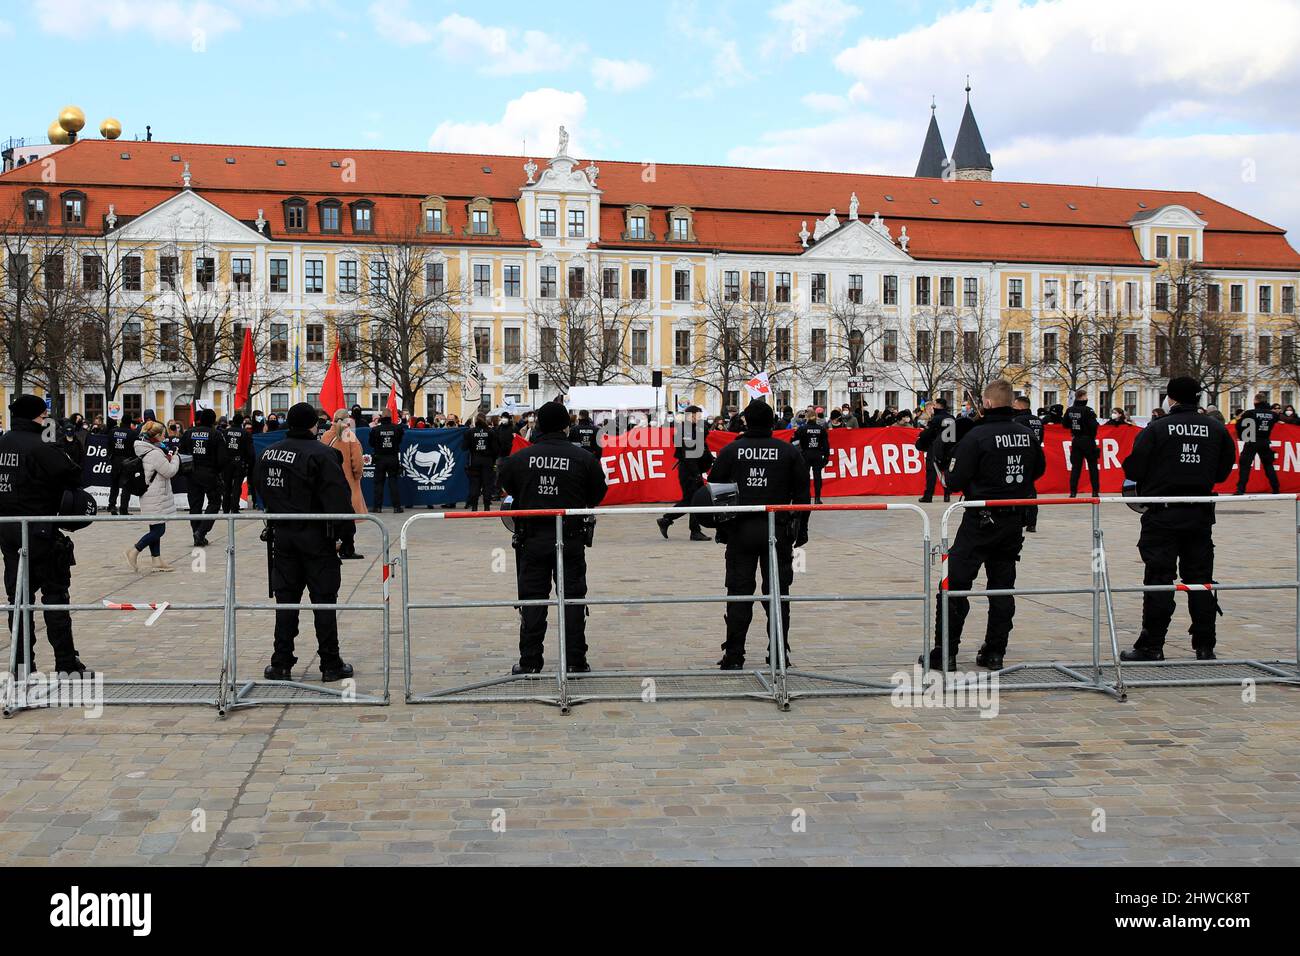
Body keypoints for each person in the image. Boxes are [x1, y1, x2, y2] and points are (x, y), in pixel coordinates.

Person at [929, 380, 1045, 671]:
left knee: (954, 585)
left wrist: (943, 461)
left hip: (979, 519)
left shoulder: (977, 435)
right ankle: (995, 652)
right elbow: (1038, 470)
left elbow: (953, 481)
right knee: (1002, 587)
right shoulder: (1027, 434)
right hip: (1012, 521)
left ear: (988, 403)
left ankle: (946, 653)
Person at [1120, 377, 1237, 662]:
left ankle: (1152, 644)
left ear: (1170, 398)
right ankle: (1205, 645)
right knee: (1200, 580)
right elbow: (1223, 471)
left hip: (1163, 513)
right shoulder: (1216, 428)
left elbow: (1134, 467)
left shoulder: (1157, 428)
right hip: (1199, 513)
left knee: (1160, 579)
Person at [497, 401, 607, 674]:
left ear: (539, 426)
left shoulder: (520, 459)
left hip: (532, 539)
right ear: (566, 427)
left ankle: (530, 661)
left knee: (533, 601)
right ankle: (575, 661)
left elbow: (509, 487)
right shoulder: (584, 459)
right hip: (570, 538)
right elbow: (596, 495)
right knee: (572, 600)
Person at [253, 402, 355, 682]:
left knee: (286, 602)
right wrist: (347, 539)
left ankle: (281, 663)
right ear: (314, 425)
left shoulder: (268, 453)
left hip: (282, 536)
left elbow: (258, 488)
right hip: (317, 537)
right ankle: (331, 664)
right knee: (323, 601)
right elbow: (338, 500)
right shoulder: (323, 454)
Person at [708, 400, 810, 670]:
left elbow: (715, 490)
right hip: (777, 530)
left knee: (739, 593)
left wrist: (721, 527)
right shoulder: (787, 451)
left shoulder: (732, 451)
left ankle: (734, 655)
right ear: (771, 423)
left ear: (746, 422)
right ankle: (778, 652)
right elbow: (803, 495)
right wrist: (802, 529)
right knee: (778, 593)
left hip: (740, 531)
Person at [0, 395, 91, 676]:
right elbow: (72, 475)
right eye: (44, 416)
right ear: (36, 417)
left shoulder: (2, 442)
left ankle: (21, 665)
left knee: (19, 600)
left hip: (8, 531)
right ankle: (65, 663)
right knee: (54, 596)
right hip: (40, 530)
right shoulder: (39, 445)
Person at [125, 420, 181, 573]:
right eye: (163, 435)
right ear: (156, 436)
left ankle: (156, 559)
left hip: (152, 493)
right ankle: (134, 550)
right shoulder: (155, 453)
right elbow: (169, 471)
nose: (164, 437)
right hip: (156, 494)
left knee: (156, 526)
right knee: (159, 530)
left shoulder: (146, 448)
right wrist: (176, 457)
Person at [657, 405, 713, 540]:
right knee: (694, 501)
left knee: (691, 500)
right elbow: (689, 455)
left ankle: (667, 520)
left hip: (694, 469)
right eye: (698, 415)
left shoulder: (694, 429)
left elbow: (702, 447)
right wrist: (696, 474)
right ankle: (693, 531)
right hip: (689, 470)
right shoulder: (685, 431)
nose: (700, 418)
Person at [320, 408, 366, 560]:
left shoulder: (326, 435)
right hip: (347, 482)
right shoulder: (348, 436)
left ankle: (331, 544)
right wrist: (357, 475)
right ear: (348, 420)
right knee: (348, 517)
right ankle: (347, 547)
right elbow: (357, 461)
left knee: (331, 517)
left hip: (328, 482)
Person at [179, 408, 226, 548]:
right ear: (213, 420)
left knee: (195, 505)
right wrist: (217, 472)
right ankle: (201, 532)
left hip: (192, 473)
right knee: (215, 502)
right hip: (210, 474)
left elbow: (181, 453)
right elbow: (222, 459)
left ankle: (197, 532)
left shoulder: (188, 433)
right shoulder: (216, 434)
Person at [1235, 391, 1280, 495]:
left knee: (1245, 465)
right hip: (1265, 441)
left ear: (1256, 401)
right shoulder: (1272, 415)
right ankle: (1276, 488)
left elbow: (1239, 426)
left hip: (1251, 440)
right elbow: (1278, 420)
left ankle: (1241, 489)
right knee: (1268, 465)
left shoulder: (1250, 413)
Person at [1011, 396, 1044, 533]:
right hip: (1034, 455)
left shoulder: (1018, 420)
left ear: (1019, 406)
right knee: (1031, 490)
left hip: (1020, 456)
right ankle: (1032, 522)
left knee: (1016, 489)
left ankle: (1019, 519)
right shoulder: (1037, 420)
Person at [915, 399, 953, 504]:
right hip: (949, 448)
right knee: (945, 471)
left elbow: (928, 433)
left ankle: (928, 495)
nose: (933, 406)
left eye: (935, 404)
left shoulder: (936, 419)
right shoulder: (951, 418)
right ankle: (947, 494)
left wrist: (921, 436)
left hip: (936, 448)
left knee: (931, 471)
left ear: (939, 406)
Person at [1065, 390, 1100, 497]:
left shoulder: (1070, 410)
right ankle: (1095, 492)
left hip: (1076, 440)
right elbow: (1094, 426)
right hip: (1088, 440)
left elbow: (1065, 424)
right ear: (1083, 397)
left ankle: (1073, 492)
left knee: (1076, 468)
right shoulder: (1088, 410)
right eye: (1086, 396)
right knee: (1093, 467)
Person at [368, 411, 405, 513]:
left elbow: (371, 443)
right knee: (393, 482)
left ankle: (377, 507)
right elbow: (400, 441)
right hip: (393, 458)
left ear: (381, 417)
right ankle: (397, 507)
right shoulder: (397, 428)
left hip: (380, 458)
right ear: (390, 417)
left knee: (379, 483)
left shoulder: (375, 430)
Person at [793, 406, 830, 504]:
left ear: (807, 418)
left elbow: (794, 441)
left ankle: (806, 496)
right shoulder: (821, 429)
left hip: (805, 454)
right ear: (816, 417)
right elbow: (826, 444)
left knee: (805, 476)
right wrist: (826, 456)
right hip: (817, 454)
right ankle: (817, 498)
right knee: (817, 476)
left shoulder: (802, 429)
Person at [463, 414, 500, 512]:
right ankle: (486, 507)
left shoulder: (470, 432)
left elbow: (464, 447)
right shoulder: (491, 432)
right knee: (487, 484)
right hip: (487, 462)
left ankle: (474, 507)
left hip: (474, 461)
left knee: (475, 484)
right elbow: (496, 449)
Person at [220, 413, 255, 513]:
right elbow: (250, 452)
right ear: (242, 422)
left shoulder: (225, 432)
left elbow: (221, 448)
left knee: (226, 486)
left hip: (227, 463)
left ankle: (226, 508)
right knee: (237, 487)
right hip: (239, 463)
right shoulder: (245, 433)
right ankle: (234, 508)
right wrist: (250, 464)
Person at [107, 415, 138, 515]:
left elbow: (108, 446)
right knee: (126, 486)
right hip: (127, 462)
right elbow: (135, 449)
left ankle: (112, 506)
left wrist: (111, 457)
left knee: (114, 485)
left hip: (115, 460)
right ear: (129, 423)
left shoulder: (112, 432)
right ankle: (123, 509)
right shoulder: (132, 434)